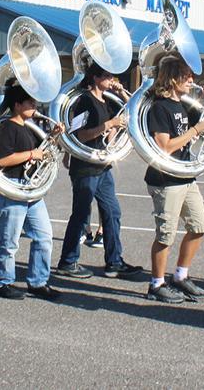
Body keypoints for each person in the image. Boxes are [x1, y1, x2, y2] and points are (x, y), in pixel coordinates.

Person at [55, 65, 143, 279]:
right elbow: (80, 135)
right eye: (107, 76)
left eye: (112, 75)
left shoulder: (106, 100)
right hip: (85, 166)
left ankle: (114, 262)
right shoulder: (85, 100)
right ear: (95, 78)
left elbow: (123, 119)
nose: (111, 79)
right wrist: (110, 124)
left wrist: (121, 97)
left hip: (102, 166)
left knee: (112, 212)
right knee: (81, 215)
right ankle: (67, 261)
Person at [143, 57, 204, 304]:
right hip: (165, 179)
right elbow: (164, 147)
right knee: (165, 236)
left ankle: (180, 276)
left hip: (185, 176)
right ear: (173, 79)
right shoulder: (160, 107)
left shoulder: (183, 105)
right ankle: (156, 284)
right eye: (187, 76)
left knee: (199, 227)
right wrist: (195, 131)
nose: (192, 81)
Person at [0, 84, 64, 300]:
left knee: (44, 236)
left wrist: (54, 135)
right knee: (10, 240)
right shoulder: (7, 128)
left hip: (31, 190)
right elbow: (4, 160)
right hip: (13, 187)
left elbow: (44, 151)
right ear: (17, 105)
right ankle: (3, 283)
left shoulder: (28, 127)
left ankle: (38, 282)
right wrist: (31, 154)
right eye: (30, 103)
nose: (35, 106)